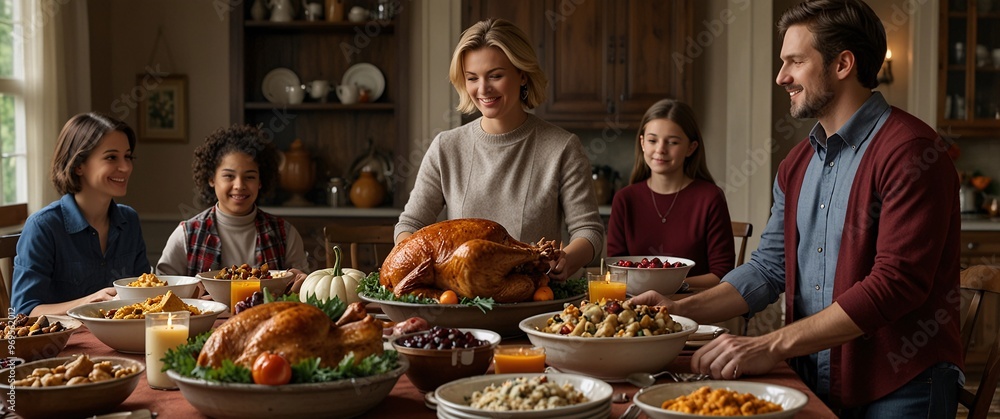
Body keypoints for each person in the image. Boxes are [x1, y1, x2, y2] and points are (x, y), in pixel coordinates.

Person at [632, 1, 962, 416]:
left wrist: (768, 345)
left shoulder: (912, 153)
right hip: (815, 376)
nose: (781, 76)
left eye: (795, 61)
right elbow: (769, 268)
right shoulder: (798, 163)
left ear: (842, 64)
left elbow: (896, 284)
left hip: (900, 384)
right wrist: (676, 309)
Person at [394, 18, 604, 280]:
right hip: (464, 301)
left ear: (522, 74)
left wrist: (568, 259)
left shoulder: (562, 147)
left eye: (495, 75)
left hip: (538, 299)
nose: (483, 89)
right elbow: (410, 225)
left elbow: (589, 231)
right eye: (472, 78)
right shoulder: (446, 148)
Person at [12, 113, 150, 316]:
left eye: (128, 156)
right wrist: (90, 302)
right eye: (112, 157)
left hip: (124, 341)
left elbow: (144, 294)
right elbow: (22, 311)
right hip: (64, 346)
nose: (126, 167)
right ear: (78, 165)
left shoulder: (129, 221)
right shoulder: (43, 227)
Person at [156, 124, 308, 290]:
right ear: (211, 179)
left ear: (261, 181)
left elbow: (304, 288)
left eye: (249, 177)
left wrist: (302, 284)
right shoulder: (186, 235)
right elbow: (162, 291)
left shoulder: (285, 234)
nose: (239, 185)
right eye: (229, 176)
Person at [606, 99, 734, 289]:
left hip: (693, 303)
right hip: (636, 305)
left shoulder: (710, 198)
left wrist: (669, 285)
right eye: (652, 140)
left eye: (672, 142)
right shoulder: (625, 199)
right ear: (642, 143)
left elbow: (721, 273)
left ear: (691, 148)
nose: (660, 150)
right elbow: (616, 269)